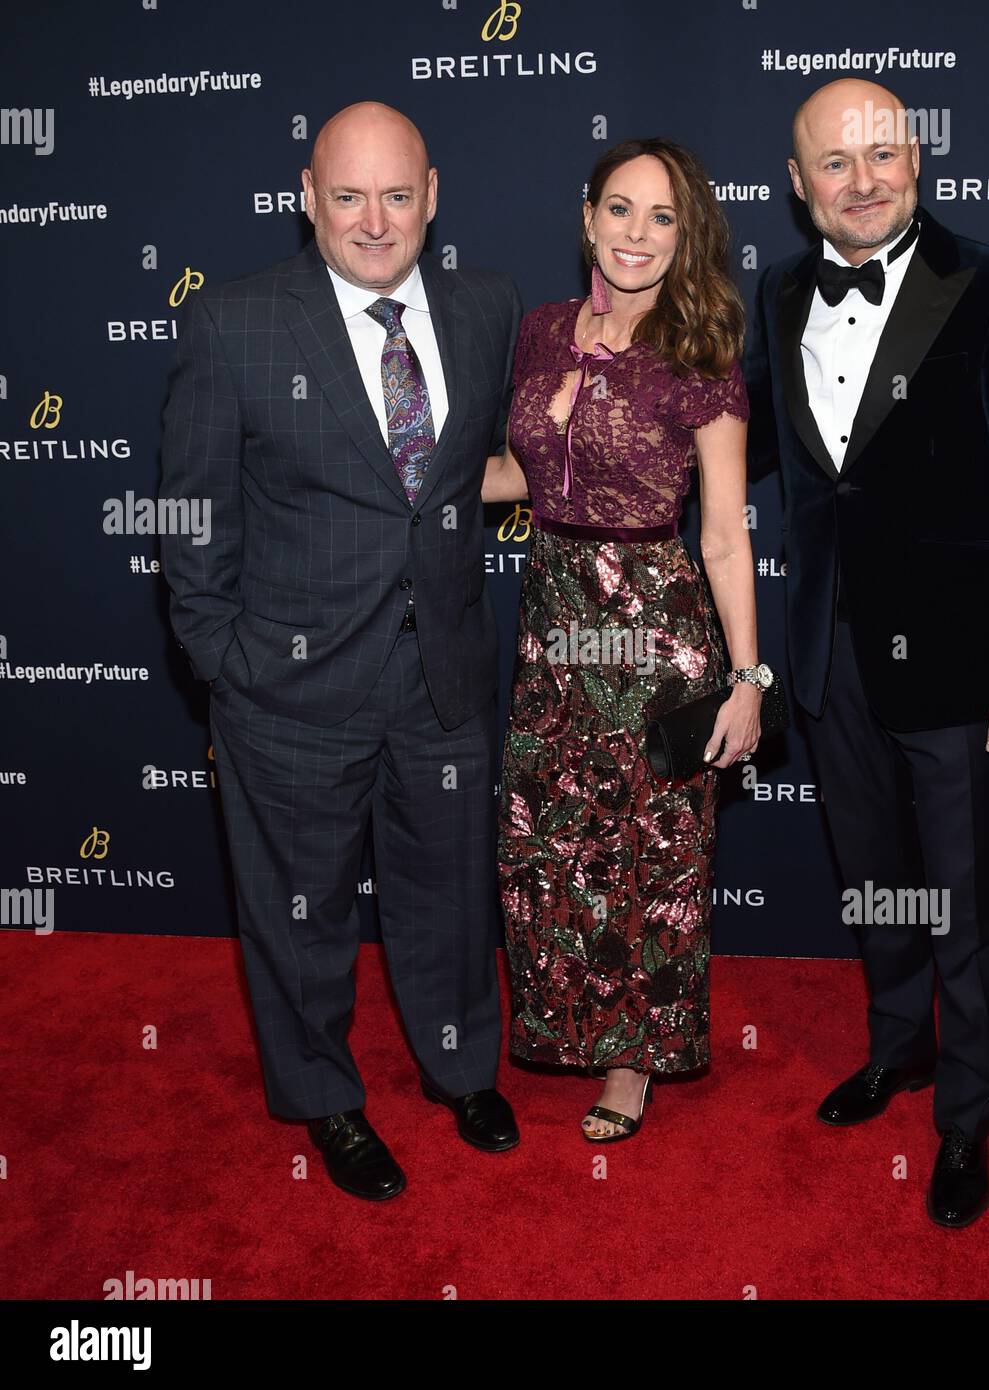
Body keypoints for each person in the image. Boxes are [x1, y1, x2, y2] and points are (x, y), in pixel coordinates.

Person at [159, 102, 522, 1201]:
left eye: (398, 195)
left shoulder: (487, 309)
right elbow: (191, 515)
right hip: (289, 685)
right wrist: (225, 658)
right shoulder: (236, 324)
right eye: (350, 195)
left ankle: (460, 1068)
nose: (375, 221)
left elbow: (474, 475)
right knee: (299, 910)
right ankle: (324, 1095)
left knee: (450, 896)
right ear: (307, 195)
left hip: (444, 676)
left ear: (433, 196)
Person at [744, 79, 989, 1226]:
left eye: (882, 155)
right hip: (828, 655)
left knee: (966, 904)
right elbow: (736, 439)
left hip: (959, 664)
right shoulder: (780, 289)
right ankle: (901, 1048)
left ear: (919, 160)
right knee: (875, 882)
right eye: (834, 163)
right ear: (797, 186)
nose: (863, 180)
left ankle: (967, 1118)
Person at [484, 138, 771, 1140]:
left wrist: (746, 678)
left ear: (686, 236)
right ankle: (565, 1023)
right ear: (587, 217)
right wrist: (403, 477)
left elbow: (726, 535)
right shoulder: (540, 331)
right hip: (555, 628)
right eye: (619, 208)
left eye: (662, 217)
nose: (636, 234)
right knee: (546, 843)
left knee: (651, 851)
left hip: (656, 637)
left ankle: (632, 1060)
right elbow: (530, 473)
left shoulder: (701, 353)